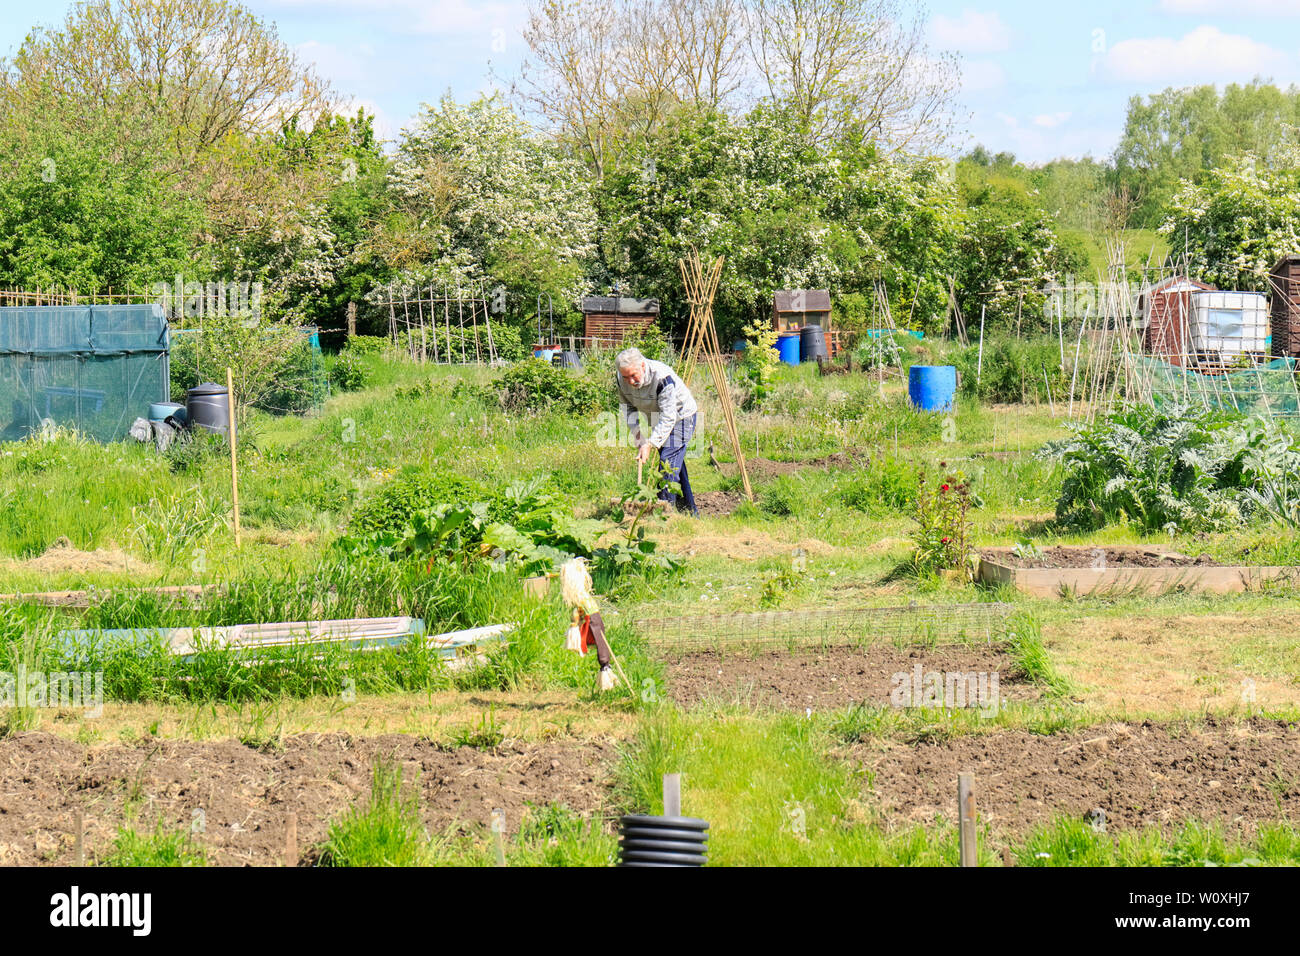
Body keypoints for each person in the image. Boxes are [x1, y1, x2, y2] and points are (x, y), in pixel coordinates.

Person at [615, 347, 699, 517]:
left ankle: (662, 516)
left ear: (643, 366)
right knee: (675, 465)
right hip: (658, 420)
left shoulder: (661, 377)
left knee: (667, 463)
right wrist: (639, 438)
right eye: (626, 377)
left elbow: (669, 416)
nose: (630, 381)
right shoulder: (620, 379)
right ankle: (690, 513)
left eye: (634, 375)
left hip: (681, 417)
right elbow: (628, 409)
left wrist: (651, 444)